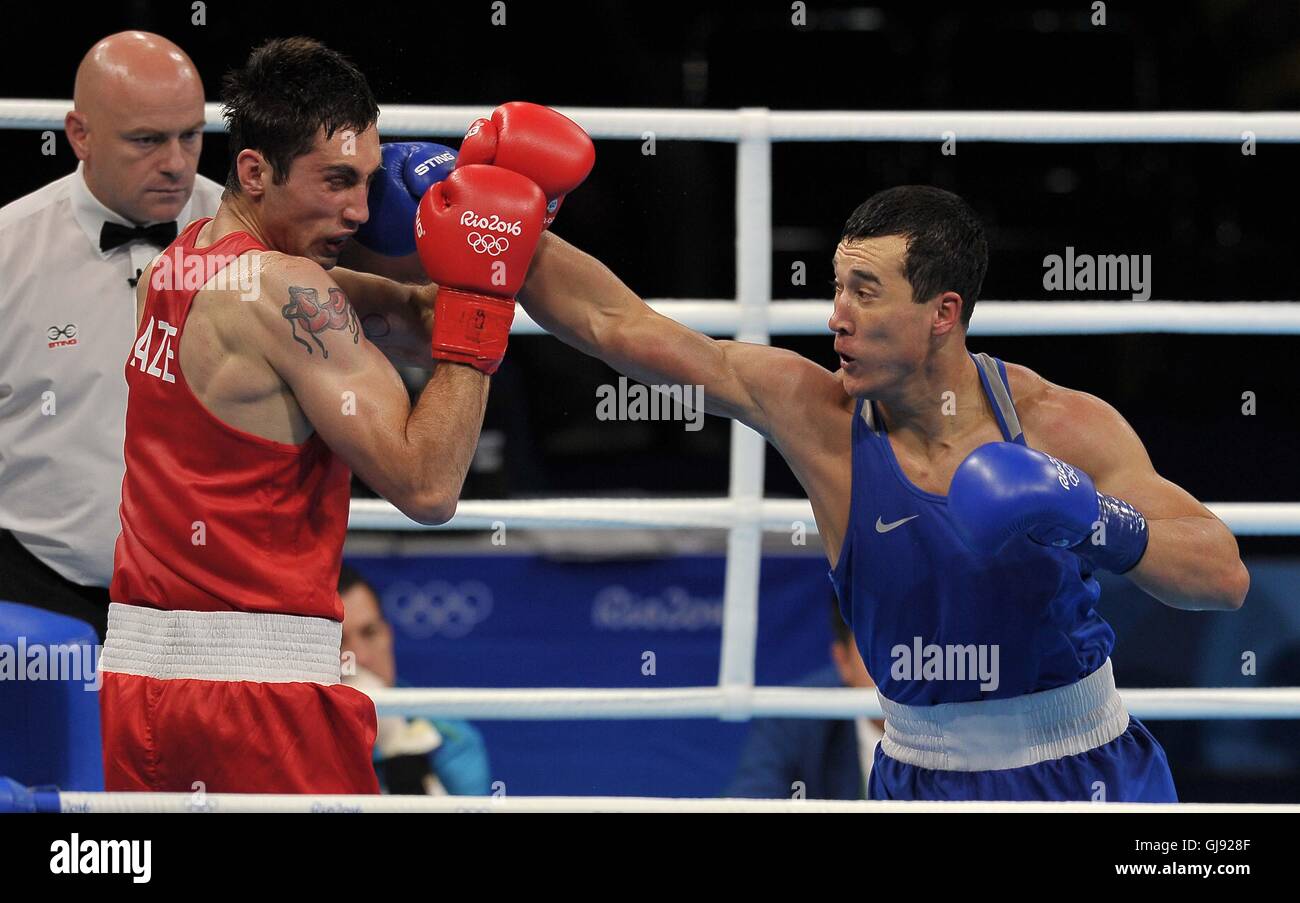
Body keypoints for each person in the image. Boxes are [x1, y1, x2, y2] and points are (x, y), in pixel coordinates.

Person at [510, 177, 1249, 801]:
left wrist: (1089, 515)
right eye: (838, 287)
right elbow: (619, 325)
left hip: (1089, 769)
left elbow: (1222, 576)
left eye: (865, 291)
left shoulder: (1060, 425)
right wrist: (507, 223)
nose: (837, 316)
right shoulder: (819, 418)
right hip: (921, 774)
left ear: (943, 313)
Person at [97, 38, 578, 794]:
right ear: (255, 170)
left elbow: (414, 319)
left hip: (142, 685)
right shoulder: (288, 290)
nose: (360, 210)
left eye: (369, 182)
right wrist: (486, 285)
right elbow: (427, 484)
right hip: (256, 700)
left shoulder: (177, 265)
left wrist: (484, 239)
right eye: (338, 182)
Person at [0, 31, 221, 640]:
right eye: (146, 140)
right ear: (79, 136)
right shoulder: (8, 251)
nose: (176, 162)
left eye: (191, 136)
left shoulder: (251, 244)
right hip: (34, 594)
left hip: (212, 596)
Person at [339, 565, 491, 796]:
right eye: (339, 640)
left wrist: (397, 744)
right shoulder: (291, 742)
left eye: (370, 633)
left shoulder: (453, 741)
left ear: (387, 635)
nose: (361, 657)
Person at [727, 593, 883, 800]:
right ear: (843, 661)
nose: (901, 668)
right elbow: (749, 799)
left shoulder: (941, 722)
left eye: (914, 647)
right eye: (881, 648)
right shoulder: (793, 717)